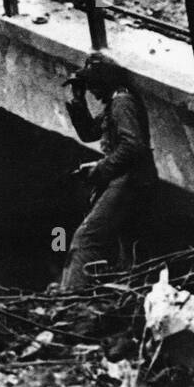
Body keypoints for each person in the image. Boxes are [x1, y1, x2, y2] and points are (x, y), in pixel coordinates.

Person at [60, 52, 156, 291]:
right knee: (127, 249)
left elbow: (133, 146)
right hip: (131, 179)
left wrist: (101, 169)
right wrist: (78, 100)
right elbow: (90, 133)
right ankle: (126, 295)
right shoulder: (116, 101)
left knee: (86, 238)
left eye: (92, 85)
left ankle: (71, 298)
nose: (91, 91)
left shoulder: (122, 101)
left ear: (105, 81)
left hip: (131, 181)